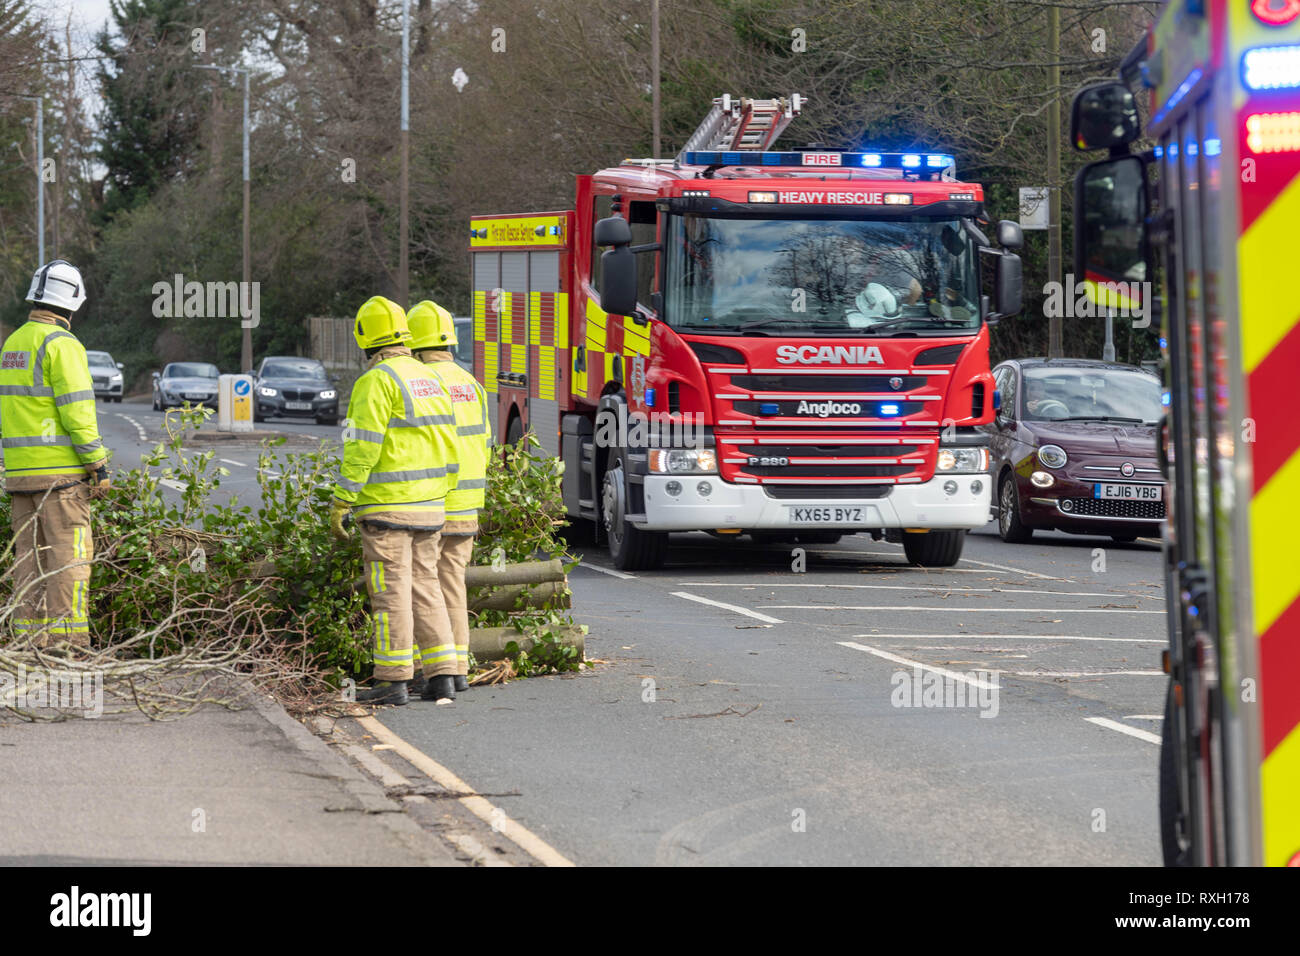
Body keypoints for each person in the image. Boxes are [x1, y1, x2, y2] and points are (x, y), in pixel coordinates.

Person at [329, 296, 460, 705]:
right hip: (431, 506)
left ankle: (393, 679)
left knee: (390, 594)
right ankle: (442, 675)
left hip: (388, 509)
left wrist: (342, 500)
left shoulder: (375, 382)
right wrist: (441, 494)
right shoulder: (432, 378)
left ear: (365, 340)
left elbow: (362, 449)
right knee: (427, 588)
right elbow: (450, 443)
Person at [0, 260, 110, 647]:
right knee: (70, 559)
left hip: (21, 479)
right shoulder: (62, 345)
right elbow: (77, 411)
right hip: (62, 481)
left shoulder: (12, 343)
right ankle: (69, 645)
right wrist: (98, 465)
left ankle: (30, 645)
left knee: (28, 563)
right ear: (72, 303)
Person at [406, 300, 491, 693]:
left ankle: (436, 671)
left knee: (424, 586)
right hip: (467, 502)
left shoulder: (426, 383)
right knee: (452, 584)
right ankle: (458, 668)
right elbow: (485, 443)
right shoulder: (470, 382)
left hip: (436, 499)